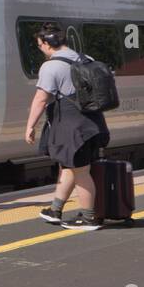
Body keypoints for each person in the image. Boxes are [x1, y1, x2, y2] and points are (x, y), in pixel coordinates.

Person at [24, 22, 110, 230]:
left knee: (81, 171)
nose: (41, 49)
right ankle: (55, 210)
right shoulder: (86, 58)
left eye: (40, 45)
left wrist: (30, 126)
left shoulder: (50, 66)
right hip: (93, 122)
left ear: (47, 43)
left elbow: (41, 99)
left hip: (72, 125)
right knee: (70, 165)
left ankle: (89, 218)